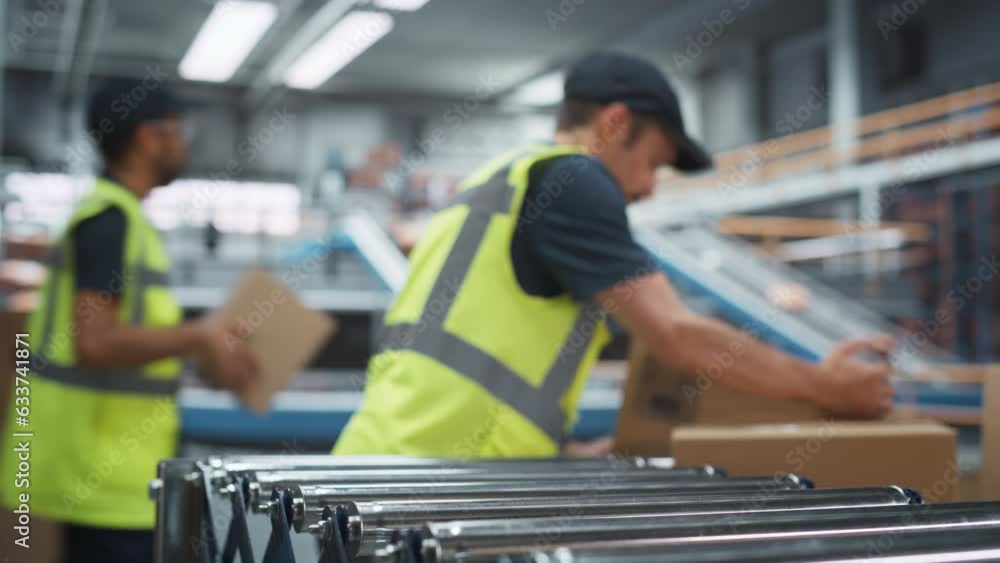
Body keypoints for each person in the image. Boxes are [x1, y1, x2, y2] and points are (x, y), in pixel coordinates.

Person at [333, 51, 894, 459]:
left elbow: (479, 360)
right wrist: (827, 385)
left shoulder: (493, 182)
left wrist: (564, 453)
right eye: (653, 162)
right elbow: (678, 337)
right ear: (615, 124)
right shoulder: (575, 177)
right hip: (433, 490)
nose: (650, 187)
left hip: (386, 464)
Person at [0, 79, 260, 563]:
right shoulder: (110, 221)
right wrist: (199, 335)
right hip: (103, 473)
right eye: (178, 131)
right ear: (148, 138)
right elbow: (93, 344)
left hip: (107, 468)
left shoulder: (124, 220)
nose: (184, 144)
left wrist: (201, 346)